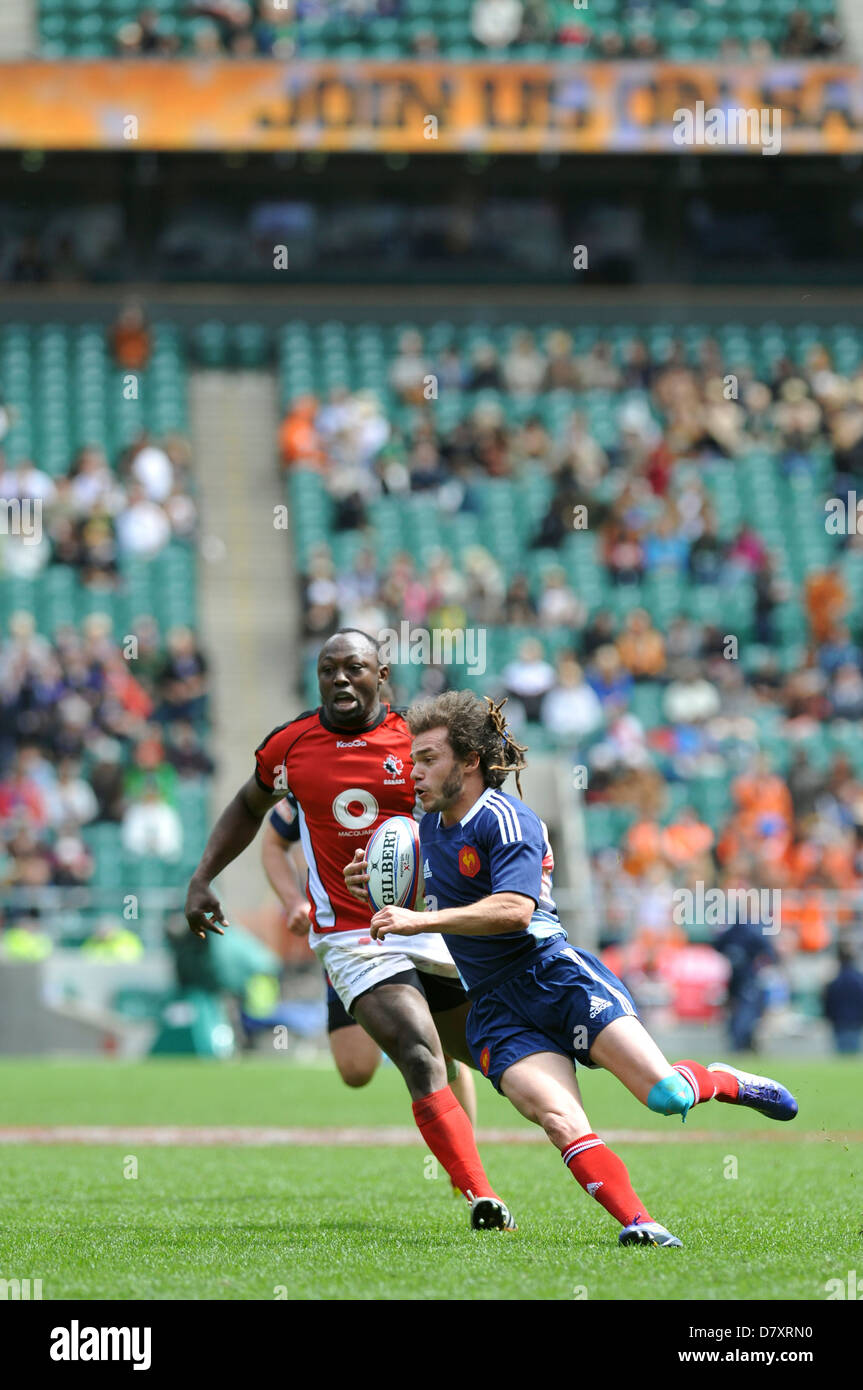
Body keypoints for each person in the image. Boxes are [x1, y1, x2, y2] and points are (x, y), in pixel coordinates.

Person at [346, 690, 798, 1248]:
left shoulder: (509, 821)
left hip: (556, 978)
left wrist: (417, 921)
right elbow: (421, 881)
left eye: (428, 758)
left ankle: (724, 1079)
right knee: (559, 1121)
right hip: (494, 1006)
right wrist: (372, 882)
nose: (413, 771)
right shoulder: (427, 831)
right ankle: (641, 1224)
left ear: (468, 761)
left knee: (666, 1098)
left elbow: (514, 911)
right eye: (413, 759)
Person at [185, 629, 511, 1231]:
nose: (340, 679)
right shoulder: (292, 749)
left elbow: (471, 803)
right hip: (354, 937)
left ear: (380, 674)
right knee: (384, 1061)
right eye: (328, 669)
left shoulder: (416, 741)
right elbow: (252, 814)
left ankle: (529, 1159)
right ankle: (477, 1183)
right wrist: (206, 877)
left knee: (498, 1054)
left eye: (354, 668)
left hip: (430, 922)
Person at [261, 791, 478, 1122]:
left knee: (440, 1047)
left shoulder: (415, 768)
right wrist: (293, 901)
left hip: (418, 928)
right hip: (349, 938)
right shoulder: (309, 771)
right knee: (355, 1070)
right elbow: (273, 843)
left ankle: (463, 1163)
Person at [823, 943, 863, 1054]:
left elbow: (828, 1002)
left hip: (839, 1022)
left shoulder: (835, 981)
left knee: (842, 1056)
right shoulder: (859, 980)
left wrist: (829, 1017)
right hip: (856, 1022)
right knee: (852, 1056)